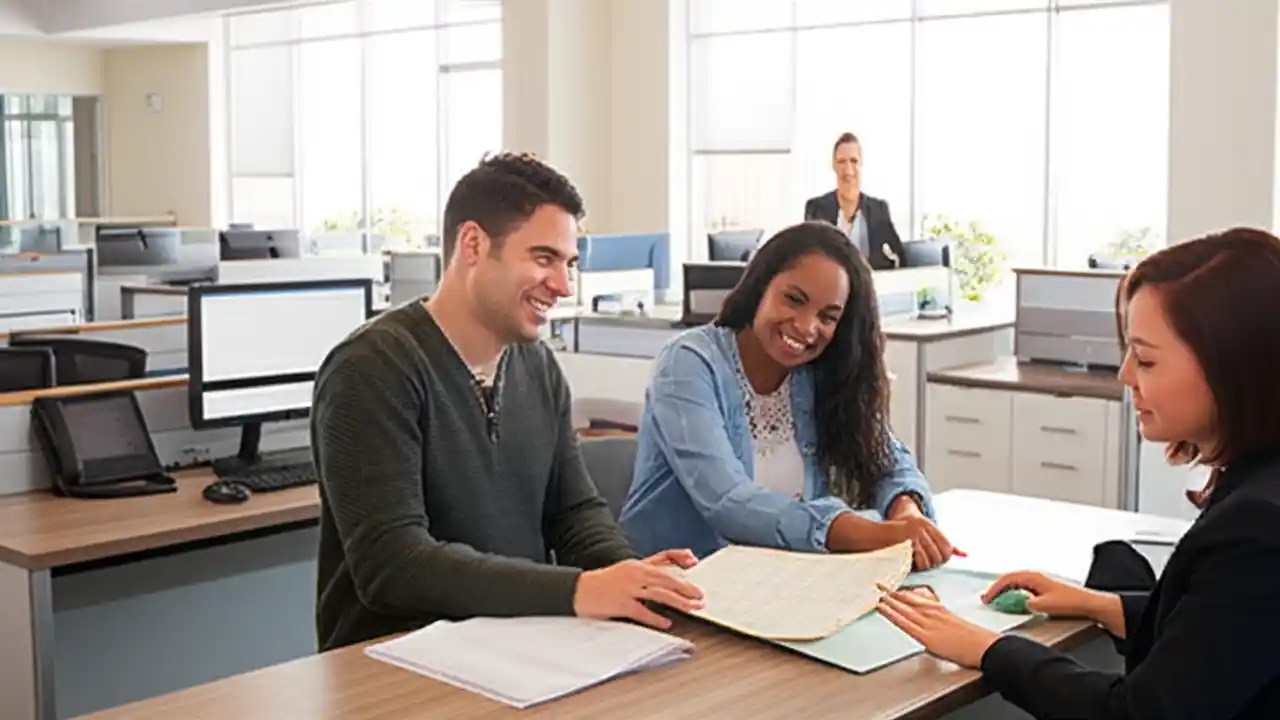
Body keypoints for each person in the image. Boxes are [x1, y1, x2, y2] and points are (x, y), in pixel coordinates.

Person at [876, 227, 1280, 719]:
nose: (1125, 374)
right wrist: (1099, 604)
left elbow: (1137, 714)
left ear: (1230, 367)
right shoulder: (1258, 489)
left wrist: (986, 648)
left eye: (1146, 358)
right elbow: (1221, 635)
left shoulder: (1257, 529)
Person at [311, 152, 703, 652]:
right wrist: (581, 590)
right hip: (396, 668)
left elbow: (574, 513)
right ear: (472, 244)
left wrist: (630, 577)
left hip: (514, 650)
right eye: (544, 258)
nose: (563, 286)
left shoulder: (536, 367)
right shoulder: (371, 369)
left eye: (570, 264)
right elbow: (394, 564)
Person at [620, 221, 952, 570]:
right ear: (762, 284)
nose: (808, 327)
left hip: (776, 585)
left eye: (828, 316)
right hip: (673, 589)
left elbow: (887, 457)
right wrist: (876, 534)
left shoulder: (820, 370)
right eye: (794, 299)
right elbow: (728, 503)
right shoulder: (688, 362)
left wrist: (906, 511)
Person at [803, 132, 905, 270]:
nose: (848, 170)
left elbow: (900, 258)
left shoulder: (879, 210)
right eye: (841, 162)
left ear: (861, 164)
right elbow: (808, 260)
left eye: (854, 161)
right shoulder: (816, 209)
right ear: (834, 166)